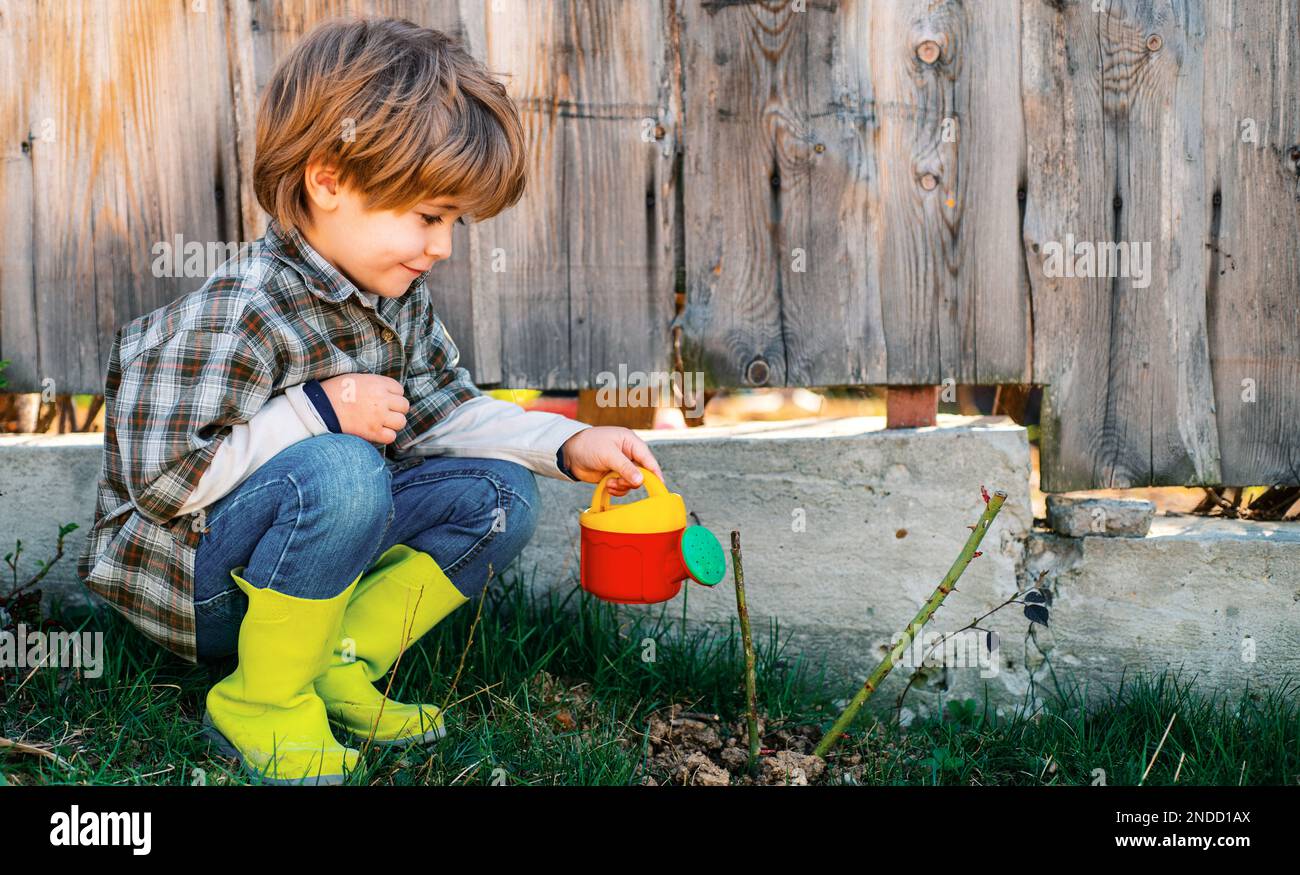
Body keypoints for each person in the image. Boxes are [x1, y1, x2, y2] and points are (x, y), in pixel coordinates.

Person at [76, 16, 663, 785]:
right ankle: (261, 698)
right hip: (197, 588)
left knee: (501, 493)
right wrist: (318, 412)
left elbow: (446, 414)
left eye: (453, 221)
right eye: (427, 216)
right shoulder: (243, 309)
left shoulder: (392, 295)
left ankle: (337, 664)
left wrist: (566, 444)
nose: (443, 246)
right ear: (328, 180)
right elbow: (165, 484)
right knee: (346, 468)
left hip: (288, 555)